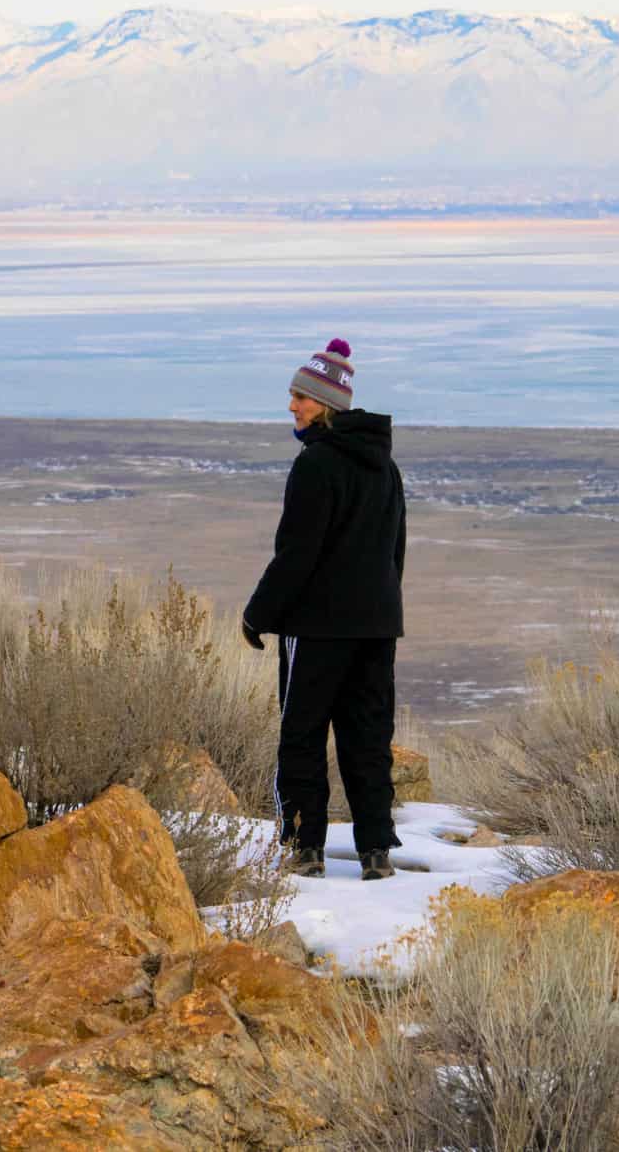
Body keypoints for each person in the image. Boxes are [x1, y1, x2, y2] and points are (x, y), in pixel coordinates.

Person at [240, 338, 406, 881]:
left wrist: (257, 614)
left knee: (303, 734)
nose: (292, 407)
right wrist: (378, 609)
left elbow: (296, 554)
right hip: (376, 627)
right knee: (368, 735)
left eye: (301, 398)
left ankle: (304, 847)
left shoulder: (314, 465)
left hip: (316, 630)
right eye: (293, 396)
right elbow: (394, 552)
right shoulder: (386, 467)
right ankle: (376, 850)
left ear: (327, 404)